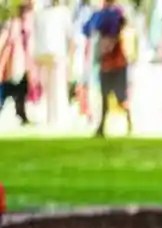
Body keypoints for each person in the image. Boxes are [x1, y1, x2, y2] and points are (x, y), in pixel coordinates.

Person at [84, 0, 131, 136]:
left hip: (115, 63)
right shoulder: (107, 15)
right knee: (108, 95)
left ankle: (126, 122)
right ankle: (102, 127)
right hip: (109, 63)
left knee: (118, 96)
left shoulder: (112, 15)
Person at [34, 0, 75, 127]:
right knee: (53, 86)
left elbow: (70, 36)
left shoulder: (45, 13)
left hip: (51, 53)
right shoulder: (56, 13)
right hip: (52, 52)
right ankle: (52, 117)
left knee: (53, 87)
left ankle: (54, 117)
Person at [0, 2, 36, 126]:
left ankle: (21, 113)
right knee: (7, 88)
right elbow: (5, 40)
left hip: (22, 62)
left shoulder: (26, 24)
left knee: (21, 90)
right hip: (13, 61)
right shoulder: (14, 23)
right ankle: (19, 113)